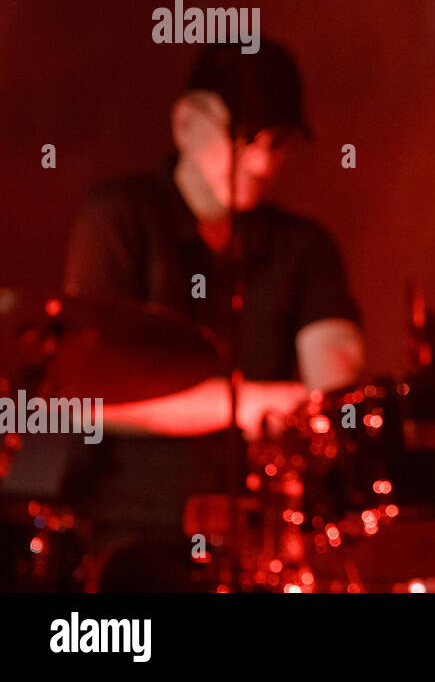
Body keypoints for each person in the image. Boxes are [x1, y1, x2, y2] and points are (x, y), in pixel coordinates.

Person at [62, 39, 364, 590]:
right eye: (248, 138)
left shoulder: (305, 246)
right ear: (186, 124)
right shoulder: (119, 218)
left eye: (279, 143)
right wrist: (247, 400)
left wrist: (328, 402)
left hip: (270, 537)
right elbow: (91, 397)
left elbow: (334, 376)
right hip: (139, 533)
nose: (263, 161)